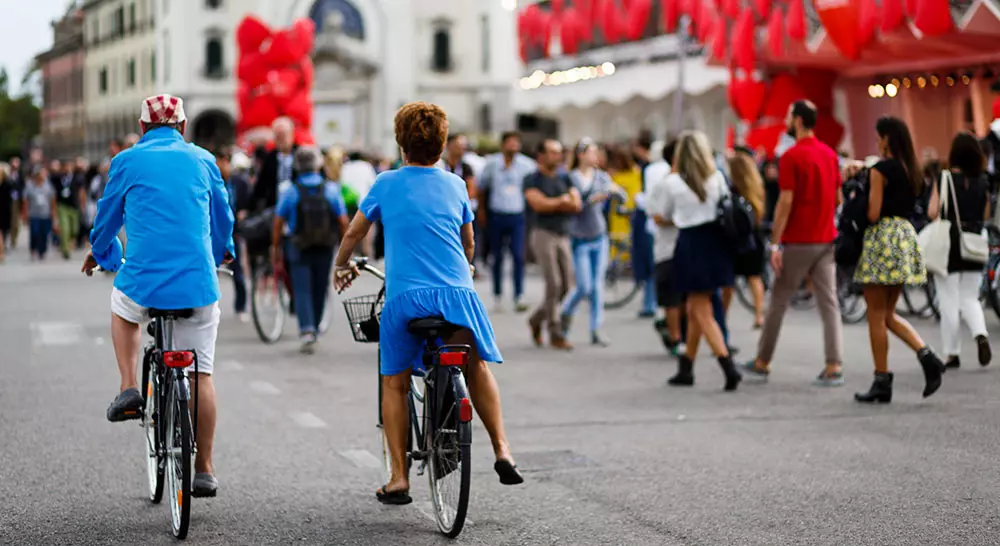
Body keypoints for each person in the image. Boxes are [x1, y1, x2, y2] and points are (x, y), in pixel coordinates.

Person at [333, 101, 522, 504]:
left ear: (402, 143)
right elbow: (468, 240)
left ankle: (399, 477)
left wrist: (341, 265)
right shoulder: (455, 184)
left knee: (395, 382)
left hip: (406, 300)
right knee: (475, 364)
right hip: (457, 296)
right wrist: (466, 267)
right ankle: (503, 449)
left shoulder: (386, 183)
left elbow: (353, 233)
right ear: (441, 144)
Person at [82, 94, 235, 497]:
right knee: (201, 374)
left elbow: (105, 222)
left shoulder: (126, 161)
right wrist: (223, 251)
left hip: (145, 281)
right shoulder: (204, 160)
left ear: (143, 127)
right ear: (183, 127)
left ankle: (129, 386)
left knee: (123, 306)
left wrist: (106, 256)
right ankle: (204, 468)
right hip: (198, 283)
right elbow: (222, 217)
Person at [741, 101, 844, 387]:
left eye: (788, 115)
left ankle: (762, 361)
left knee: (778, 302)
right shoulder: (829, 155)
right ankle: (834, 365)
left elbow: (785, 202)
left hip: (799, 239)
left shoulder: (790, 157)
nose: (786, 119)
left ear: (797, 120)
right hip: (826, 238)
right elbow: (838, 199)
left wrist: (775, 242)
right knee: (829, 302)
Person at [854, 116, 945, 403]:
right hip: (904, 236)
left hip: (882, 238)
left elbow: (872, 212)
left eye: (879, 136)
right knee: (888, 314)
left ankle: (882, 379)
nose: (878, 141)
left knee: (876, 315)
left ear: (886, 139)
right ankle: (927, 356)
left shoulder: (881, 170)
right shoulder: (911, 168)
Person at [661, 131, 742, 391]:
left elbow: (665, 214)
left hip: (691, 243)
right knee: (698, 307)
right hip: (716, 242)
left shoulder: (672, 182)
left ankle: (727, 365)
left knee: (700, 309)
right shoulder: (716, 177)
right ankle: (686, 367)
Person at [926, 132, 992, 369]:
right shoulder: (983, 181)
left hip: (950, 243)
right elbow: (985, 214)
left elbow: (933, 212)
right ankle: (980, 333)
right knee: (969, 297)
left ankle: (952, 353)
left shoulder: (944, 179)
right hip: (974, 241)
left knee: (948, 299)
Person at [273, 147, 349, 353]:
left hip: (298, 246)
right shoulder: (331, 189)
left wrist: (276, 247)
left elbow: (279, 220)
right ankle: (314, 326)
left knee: (302, 288)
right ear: (318, 165)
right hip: (325, 245)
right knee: (319, 286)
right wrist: (345, 247)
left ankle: (306, 329)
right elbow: (343, 220)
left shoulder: (290, 190)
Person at [560, 139, 619, 346]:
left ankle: (596, 328)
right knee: (584, 286)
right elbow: (574, 205)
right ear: (581, 155)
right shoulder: (571, 178)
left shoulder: (602, 176)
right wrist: (592, 199)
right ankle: (565, 314)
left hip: (599, 235)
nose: (596, 157)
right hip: (580, 238)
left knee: (597, 286)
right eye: (592, 153)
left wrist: (613, 193)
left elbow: (620, 193)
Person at [526, 139, 582, 351]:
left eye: (559, 152)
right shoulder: (532, 179)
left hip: (562, 234)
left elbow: (576, 203)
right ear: (541, 155)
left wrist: (558, 202)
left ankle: (535, 319)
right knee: (554, 283)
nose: (558, 156)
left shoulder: (564, 177)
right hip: (543, 234)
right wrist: (562, 201)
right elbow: (538, 204)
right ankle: (555, 331)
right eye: (552, 152)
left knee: (567, 285)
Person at [478, 131, 536, 312]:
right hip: (497, 214)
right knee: (497, 256)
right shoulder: (492, 164)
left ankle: (519, 294)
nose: (513, 146)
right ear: (503, 145)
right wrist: (481, 211)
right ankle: (497, 295)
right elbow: (482, 188)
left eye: (516, 143)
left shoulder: (526, 165)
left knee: (518, 256)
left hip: (517, 215)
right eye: (510, 143)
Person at [648, 140, 685, 356]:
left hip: (685, 247)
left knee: (685, 296)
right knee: (672, 297)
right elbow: (658, 216)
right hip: (667, 248)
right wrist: (682, 219)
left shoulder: (688, 181)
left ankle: (672, 329)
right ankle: (675, 337)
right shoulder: (665, 184)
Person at [726, 153, 768, 328]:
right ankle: (759, 315)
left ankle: (723, 315)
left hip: (736, 239)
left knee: (728, 282)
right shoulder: (757, 188)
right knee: (754, 278)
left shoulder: (732, 190)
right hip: (755, 237)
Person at [216, 147, 252, 322]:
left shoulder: (239, 181)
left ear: (225, 161)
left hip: (235, 232)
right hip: (216, 232)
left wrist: (244, 212)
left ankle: (241, 306)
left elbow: (248, 201)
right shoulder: (214, 181)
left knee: (237, 271)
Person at [440, 134, 481, 275]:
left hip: (461, 210)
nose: (461, 149)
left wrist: (458, 203)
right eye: (458, 146)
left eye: (463, 147)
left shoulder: (466, 167)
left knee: (467, 241)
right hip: (443, 211)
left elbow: (472, 189)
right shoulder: (440, 165)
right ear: (448, 146)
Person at [631, 131, 658, 318]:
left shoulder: (649, 169)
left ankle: (650, 302)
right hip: (646, 216)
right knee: (648, 260)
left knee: (649, 260)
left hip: (647, 216)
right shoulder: (645, 167)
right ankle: (649, 301)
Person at [252, 117, 298, 212]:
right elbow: (261, 185)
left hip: (297, 204)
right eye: (277, 137)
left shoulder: (300, 154)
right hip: (275, 205)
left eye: (283, 136)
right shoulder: (270, 157)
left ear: (291, 135)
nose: (280, 140)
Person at [341, 151, 378, 257]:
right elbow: (373, 184)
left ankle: (350, 253)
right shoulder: (366, 167)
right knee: (367, 227)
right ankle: (366, 251)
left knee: (351, 227)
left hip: (349, 202)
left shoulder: (345, 167)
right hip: (364, 201)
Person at [51, 158, 86, 260]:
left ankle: (70, 242)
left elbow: (82, 192)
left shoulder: (77, 178)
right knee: (65, 228)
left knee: (74, 229)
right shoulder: (58, 178)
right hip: (62, 206)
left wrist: (82, 204)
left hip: (74, 206)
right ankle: (65, 249)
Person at [23, 165, 58, 261]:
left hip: (45, 214)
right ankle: (33, 249)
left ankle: (42, 250)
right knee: (35, 233)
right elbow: (26, 200)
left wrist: (53, 212)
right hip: (34, 214)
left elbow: (52, 199)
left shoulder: (48, 185)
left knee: (44, 233)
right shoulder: (30, 185)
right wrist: (25, 214)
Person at [8, 156, 23, 250]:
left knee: (15, 222)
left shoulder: (21, 175)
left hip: (17, 200)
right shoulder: (7, 174)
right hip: (7, 200)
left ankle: (13, 239)